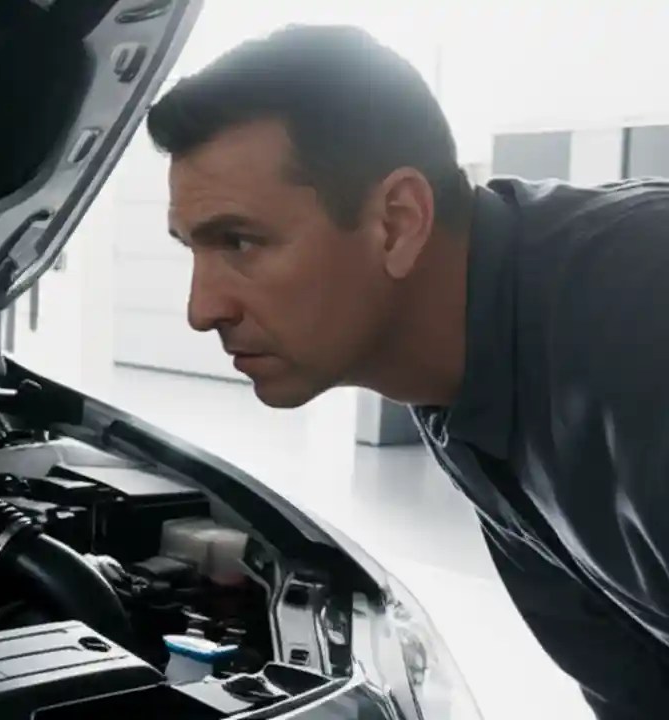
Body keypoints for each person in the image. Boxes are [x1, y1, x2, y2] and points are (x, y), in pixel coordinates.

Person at [146, 23, 669, 719]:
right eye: (192, 249)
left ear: (397, 221)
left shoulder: (642, 316)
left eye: (240, 241)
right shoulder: (460, 383)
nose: (202, 309)